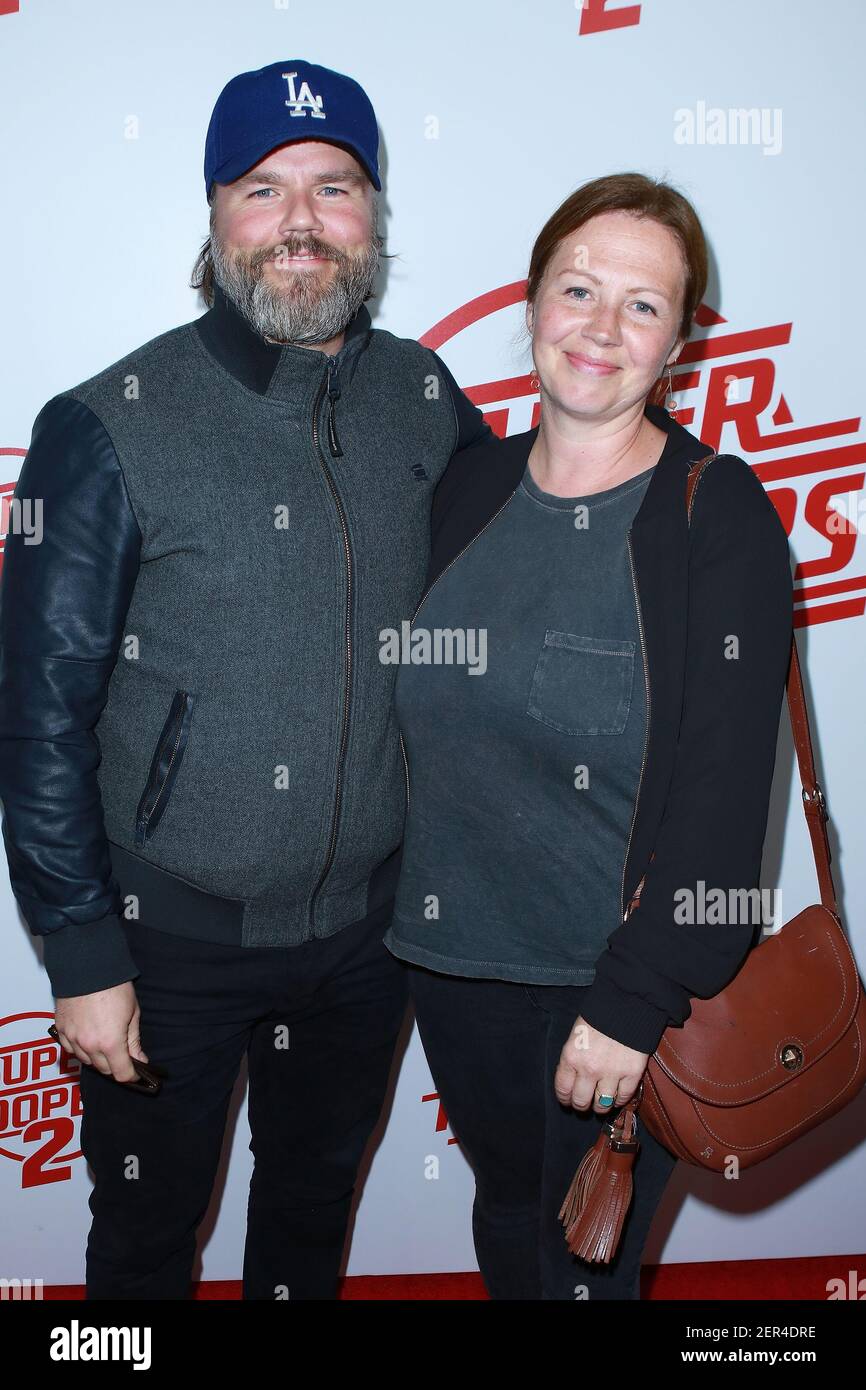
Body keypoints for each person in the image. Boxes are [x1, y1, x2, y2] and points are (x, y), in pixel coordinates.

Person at [0, 59, 491, 1300]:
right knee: (144, 1253)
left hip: (367, 939)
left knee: (309, 1223)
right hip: (166, 947)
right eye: (262, 189)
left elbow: (513, 604)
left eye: (334, 188)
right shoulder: (106, 423)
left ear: (374, 216)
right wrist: (80, 953)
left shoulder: (426, 398)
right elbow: (35, 714)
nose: (299, 223)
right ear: (215, 213)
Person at [384, 173, 794, 1300]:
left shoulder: (715, 516)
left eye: (641, 305)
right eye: (577, 289)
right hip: (455, 971)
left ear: (676, 343)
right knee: (505, 1223)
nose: (600, 329)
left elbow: (723, 802)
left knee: (579, 1273)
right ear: (529, 307)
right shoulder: (462, 489)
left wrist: (626, 1005)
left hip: (609, 996)